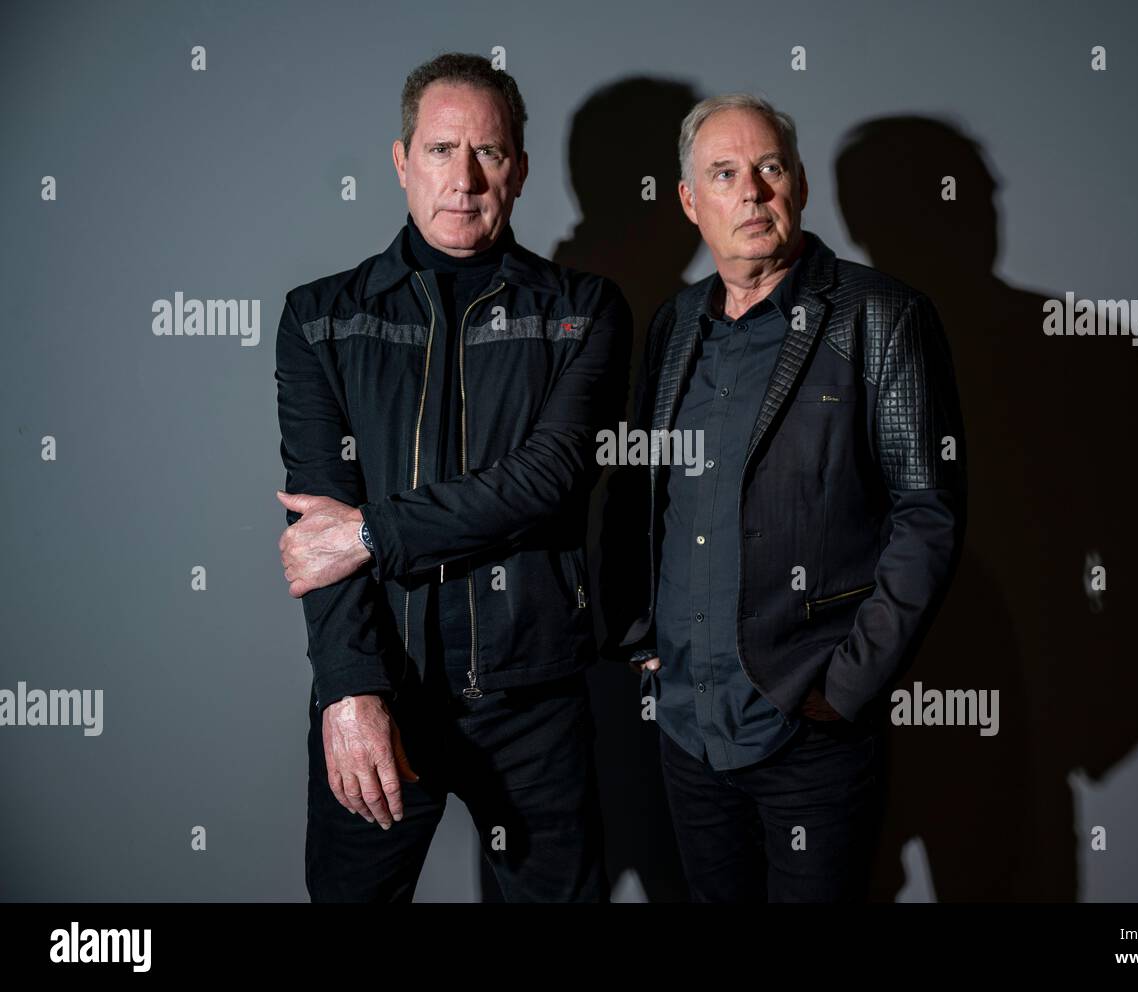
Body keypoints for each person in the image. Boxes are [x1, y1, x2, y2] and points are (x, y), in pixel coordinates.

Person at [274, 52, 630, 902]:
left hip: (535, 696)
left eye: (490, 154)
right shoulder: (322, 317)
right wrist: (350, 692)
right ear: (401, 162)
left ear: (521, 171)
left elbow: (549, 477)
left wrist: (370, 532)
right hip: (382, 689)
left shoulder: (582, 310)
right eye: (440, 151)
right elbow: (315, 524)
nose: (464, 180)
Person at [601, 93, 967, 902]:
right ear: (691, 202)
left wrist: (843, 688)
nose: (753, 192)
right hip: (689, 728)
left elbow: (927, 515)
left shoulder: (881, 315)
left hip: (808, 727)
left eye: (770, 168)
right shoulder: (674, 324)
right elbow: (645, 488)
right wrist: (644, 634)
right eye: (725, 174)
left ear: (798, 183)